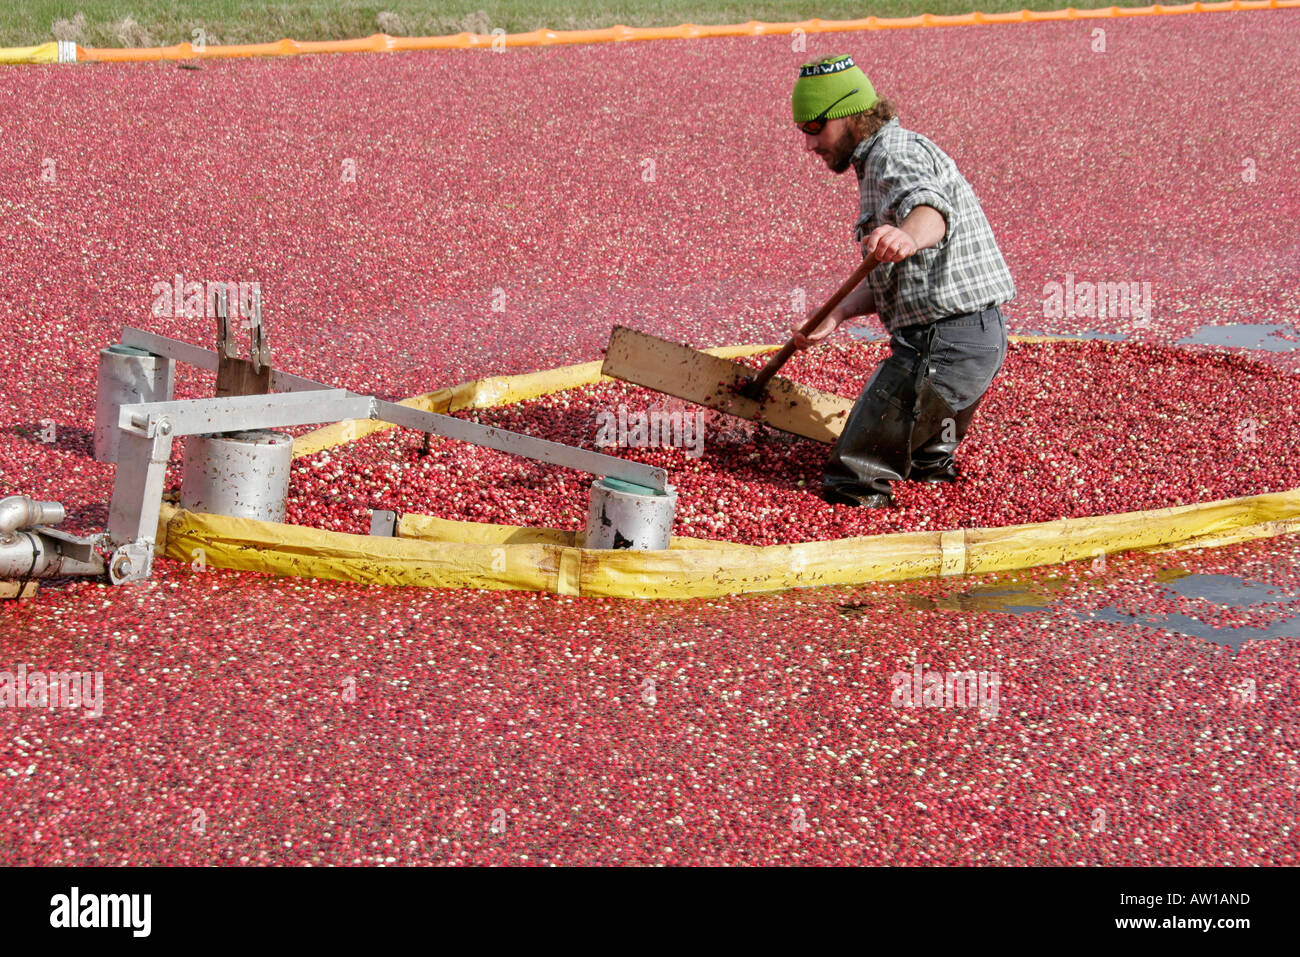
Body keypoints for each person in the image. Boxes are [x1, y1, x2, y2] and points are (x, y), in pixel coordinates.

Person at [789, 54, 1015, 507]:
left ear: (848, 114)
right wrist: (838, 312)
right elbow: (893, 272)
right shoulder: (878, 164)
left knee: (854, 472)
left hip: (941, 346)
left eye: (814, 128)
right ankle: (946, 546)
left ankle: (861, 569)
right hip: (975, 342)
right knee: (923, 462)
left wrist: (907, 235)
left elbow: (930, 213)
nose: (810, 145)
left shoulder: (896, 154)